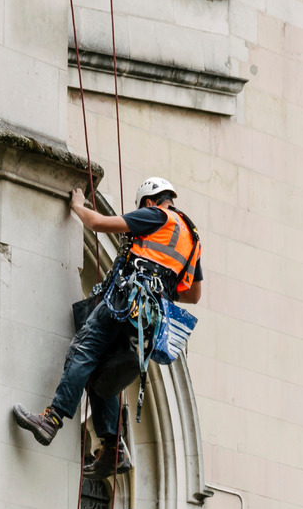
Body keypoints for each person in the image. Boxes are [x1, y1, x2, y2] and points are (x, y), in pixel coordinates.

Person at [13, 177, 202, 465]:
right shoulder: (192, 237)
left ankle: (52, 419)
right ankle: (113, 448)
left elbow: (97, 223)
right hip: (150, 321)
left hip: (125, 302)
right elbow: (193, 295)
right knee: (102, 370)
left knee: (84, 350)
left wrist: (78, 205)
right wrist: (161, 283)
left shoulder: (156, 215)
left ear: (149, 201)